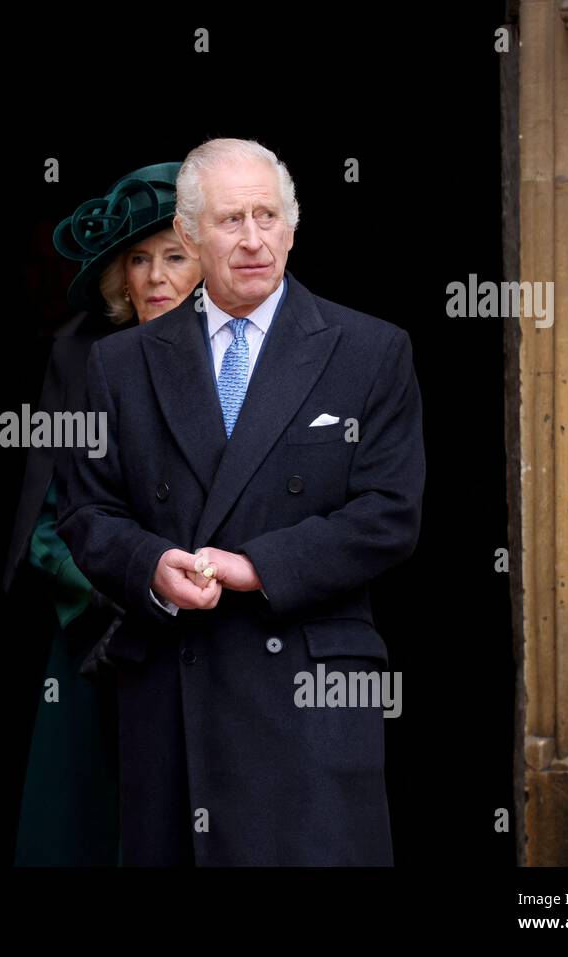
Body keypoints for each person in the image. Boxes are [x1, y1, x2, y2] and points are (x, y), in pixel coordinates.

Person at [57, 138, 425, 866]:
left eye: (268, 216)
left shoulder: (370, 349)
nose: (253, 239)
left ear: (292, 227)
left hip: (312, 697)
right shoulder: (122, 363)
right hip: (174, 689)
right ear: (190, 233)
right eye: (231, 220)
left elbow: (389, 513)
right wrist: (151, 564)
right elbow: (86, 511)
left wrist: (256, 565)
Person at [5, 163, 201, 865]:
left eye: (174, 256)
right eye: (138, 260)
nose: (155, 277)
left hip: (218, 636)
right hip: (102, 637)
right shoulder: (83, 357)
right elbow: (47, 526)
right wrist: (130, 590)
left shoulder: (249, 359)